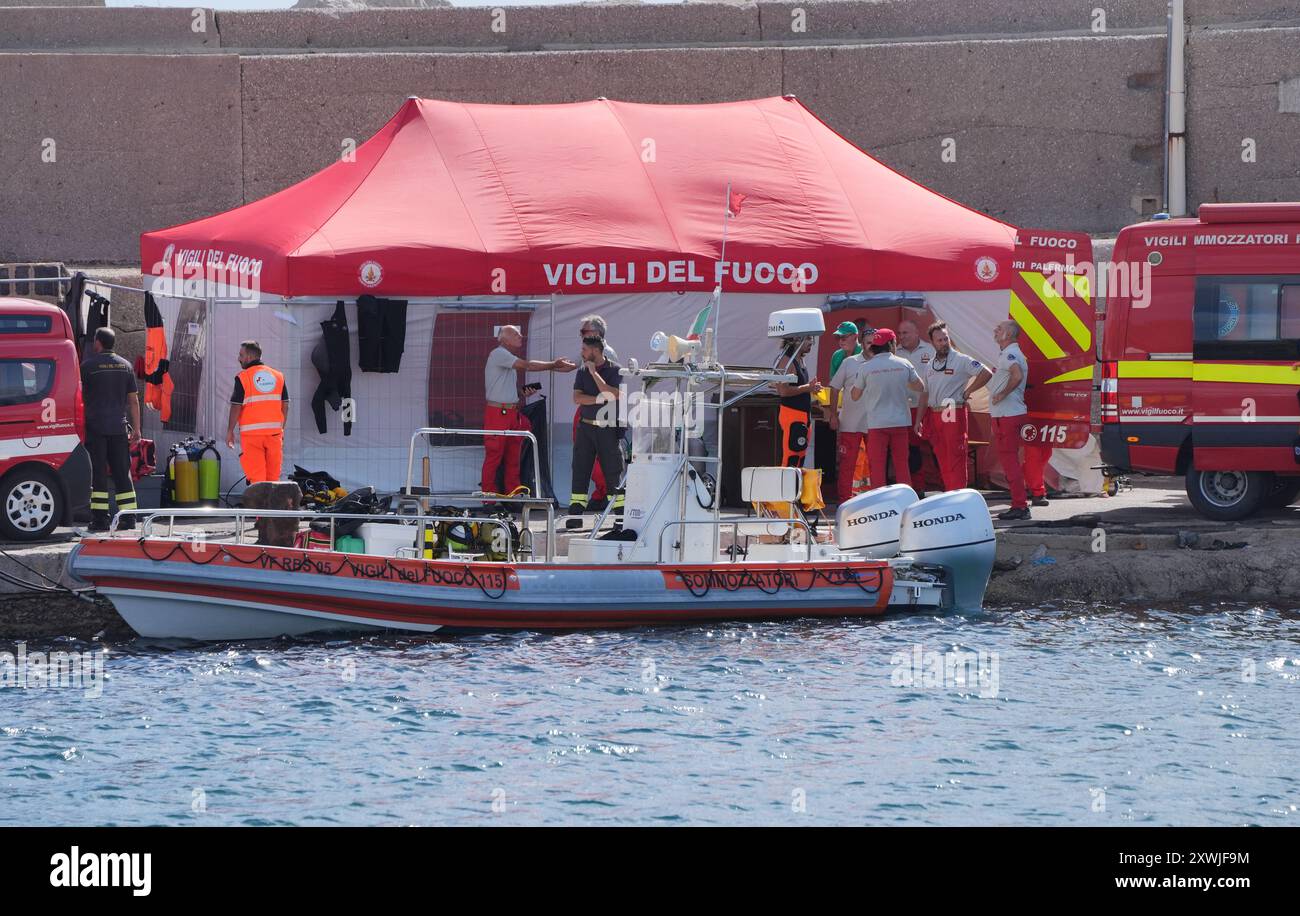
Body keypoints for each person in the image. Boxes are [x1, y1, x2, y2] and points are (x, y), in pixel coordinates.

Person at [482, 325, 575, 497]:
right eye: (516, 334)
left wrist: (522, 392)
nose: (521, 336)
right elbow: (527, 365)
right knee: (495, 457)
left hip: (509, 412)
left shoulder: (506, 357)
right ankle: (488, 497)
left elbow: (506, 389)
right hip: (498, 413)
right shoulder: (499, 353)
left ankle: (513, 495)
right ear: (504, 339)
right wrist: (554, 364)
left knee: (513, 458)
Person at [914, 321, 992, 491]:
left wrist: (968, 391)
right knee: (941, 455)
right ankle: (950, 492)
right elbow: (925, 394)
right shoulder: (930, 365)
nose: (943, 343)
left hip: (952, 410)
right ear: (932, 342)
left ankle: (958, 495)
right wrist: (918, 420)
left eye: (945, 339)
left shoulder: (961, 359)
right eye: (939, 340)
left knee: (955, 454)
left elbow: (986, 373)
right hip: (935, 413)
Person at [80, 327, 140, 532]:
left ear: (98, 342)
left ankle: (100, 520)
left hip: (96, 428)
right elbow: (133, 401)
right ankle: (129, 518)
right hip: (119, 428)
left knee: (98, 474)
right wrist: (137, 430)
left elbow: (78, 398)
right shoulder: (126, 366)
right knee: (123, 473)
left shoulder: (88, 367)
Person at [850, 328, 925, 490]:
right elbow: (920, 387)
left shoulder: (865, 367)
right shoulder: (904, 363)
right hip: (900, 422)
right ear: (892, 344)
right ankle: (906, 500)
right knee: (901, 465)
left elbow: (854, 396)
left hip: (877, 424)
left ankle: (879, 503)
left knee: (877, 466)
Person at [569, 335, 625, 528]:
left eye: (585, 350)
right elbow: (577, 398)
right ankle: (574, 517)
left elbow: (613, 394)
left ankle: (620, 519)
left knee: (612, 473)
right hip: (585, 427)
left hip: (607, 428)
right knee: (580, 470)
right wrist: (598, 398)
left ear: (595, 351)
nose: (582, 353)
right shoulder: (581, 371)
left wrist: (595, 374)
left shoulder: (615, 370)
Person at [226, 340, 289, 484]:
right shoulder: (278, 376)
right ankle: (272, 506)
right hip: (274, 435)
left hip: (252, 436)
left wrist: (230, 430)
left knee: (257, 481)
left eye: (241, 355)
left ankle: (260, 505)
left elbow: (236, 406)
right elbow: (285, 404)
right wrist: (281, 428)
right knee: (273, 479)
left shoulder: (243, 378)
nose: (239, 358)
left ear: (249, 357)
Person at [988, 320, 1032, 520]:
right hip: (1006, 415)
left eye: (999, 328)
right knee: (1010, 461)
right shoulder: (1007, 353)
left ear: (1008, 334)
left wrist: (1002, 394)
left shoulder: (1009, 354)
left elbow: (1017, 375)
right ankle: (1019, 504)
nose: (995, 331)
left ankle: (1020, 506)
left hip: (1007, 415)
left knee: (1010, 462)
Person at [573, 314, 618, 508]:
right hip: (588, 412)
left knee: (604, 460)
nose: (580, 335)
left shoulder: (607, 355)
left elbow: (612, 392)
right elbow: (578, 393)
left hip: (602, 417)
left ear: (596, 334)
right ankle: (591, 498)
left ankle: (603, 494)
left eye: (584, 331)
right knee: (582, 459)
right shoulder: (588, 353)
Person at [896, 318, 939, 494]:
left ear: (916, 333)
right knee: (911, 451)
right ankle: (918, 488)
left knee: (937, 448)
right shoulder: (894, 352)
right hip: (906, 409)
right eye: (899, 333)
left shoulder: (931, 350)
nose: (901, 336)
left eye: (905, 333)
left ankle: (947, 485)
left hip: (930, 408)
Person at [828, 325, 870, 503]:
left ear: (855, 337)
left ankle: (869, 499)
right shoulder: (839, 357)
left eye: (844, 337)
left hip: (871, 420)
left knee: (871, 462)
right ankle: (844, 501)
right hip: (850, 419)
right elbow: (834, 386)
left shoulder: (870, 354)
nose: (840, 341)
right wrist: (832, 414)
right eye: (838, 338)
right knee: (847, 463)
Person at [772, 336, 821, 468]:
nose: (811, 342)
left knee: (800, 456)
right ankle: (786, 488)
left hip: (803, 416)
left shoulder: (799, 359)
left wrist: (812, 391)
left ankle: (796, 487)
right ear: (795, 340)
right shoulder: (786, 360)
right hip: (792, 415)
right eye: (808, 338)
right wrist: (808, 388)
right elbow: (783, 391)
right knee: (791, 457)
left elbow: (799, 388)